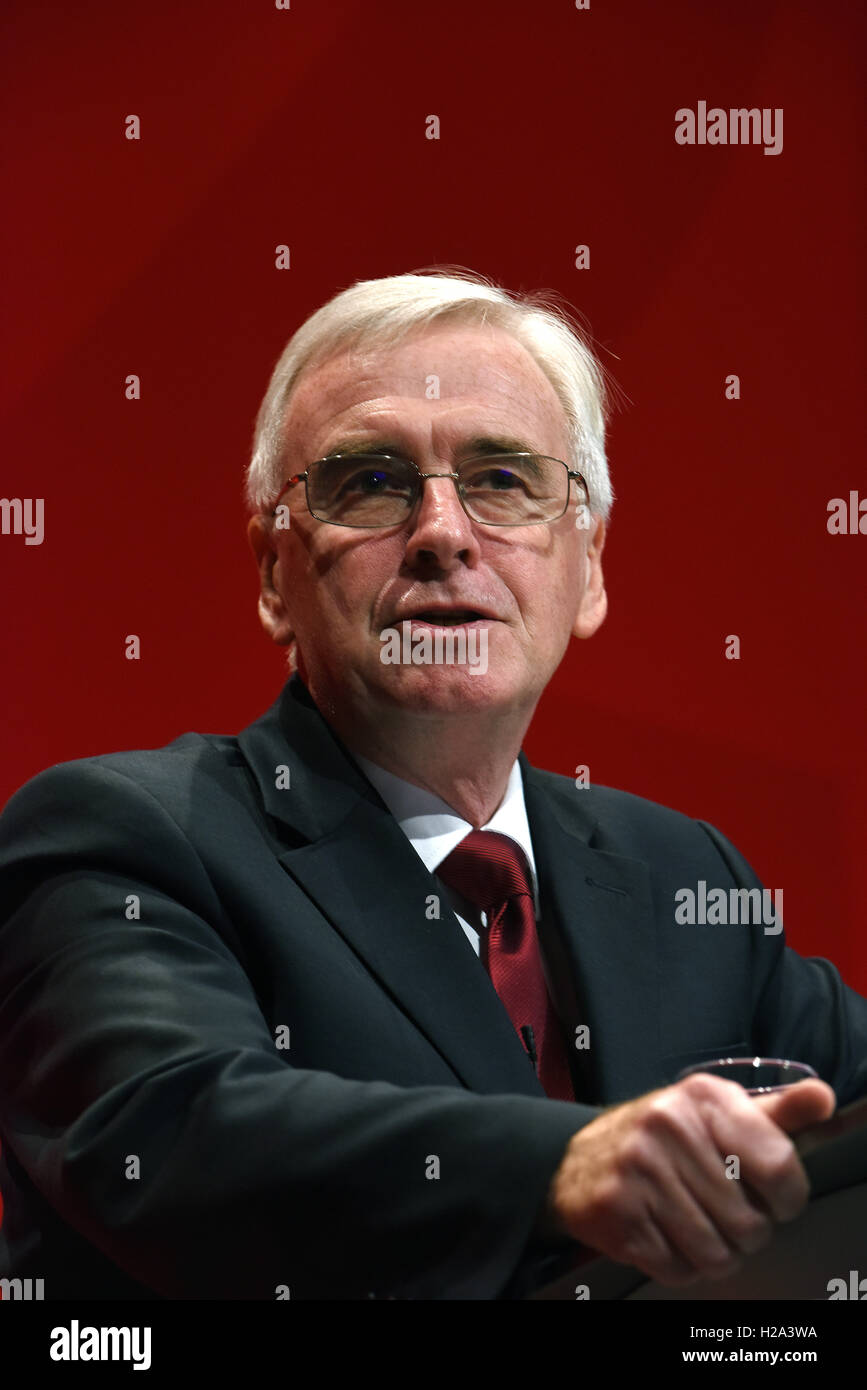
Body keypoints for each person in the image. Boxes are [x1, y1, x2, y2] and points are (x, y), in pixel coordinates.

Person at [0, 270, 864, 1301]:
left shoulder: (681, 873)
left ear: (586, 569)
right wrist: (564, 1164)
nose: (444, 532)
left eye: (503, 480)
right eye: (371, 481)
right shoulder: (124, 838)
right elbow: (182, 1139)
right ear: (275, 575)